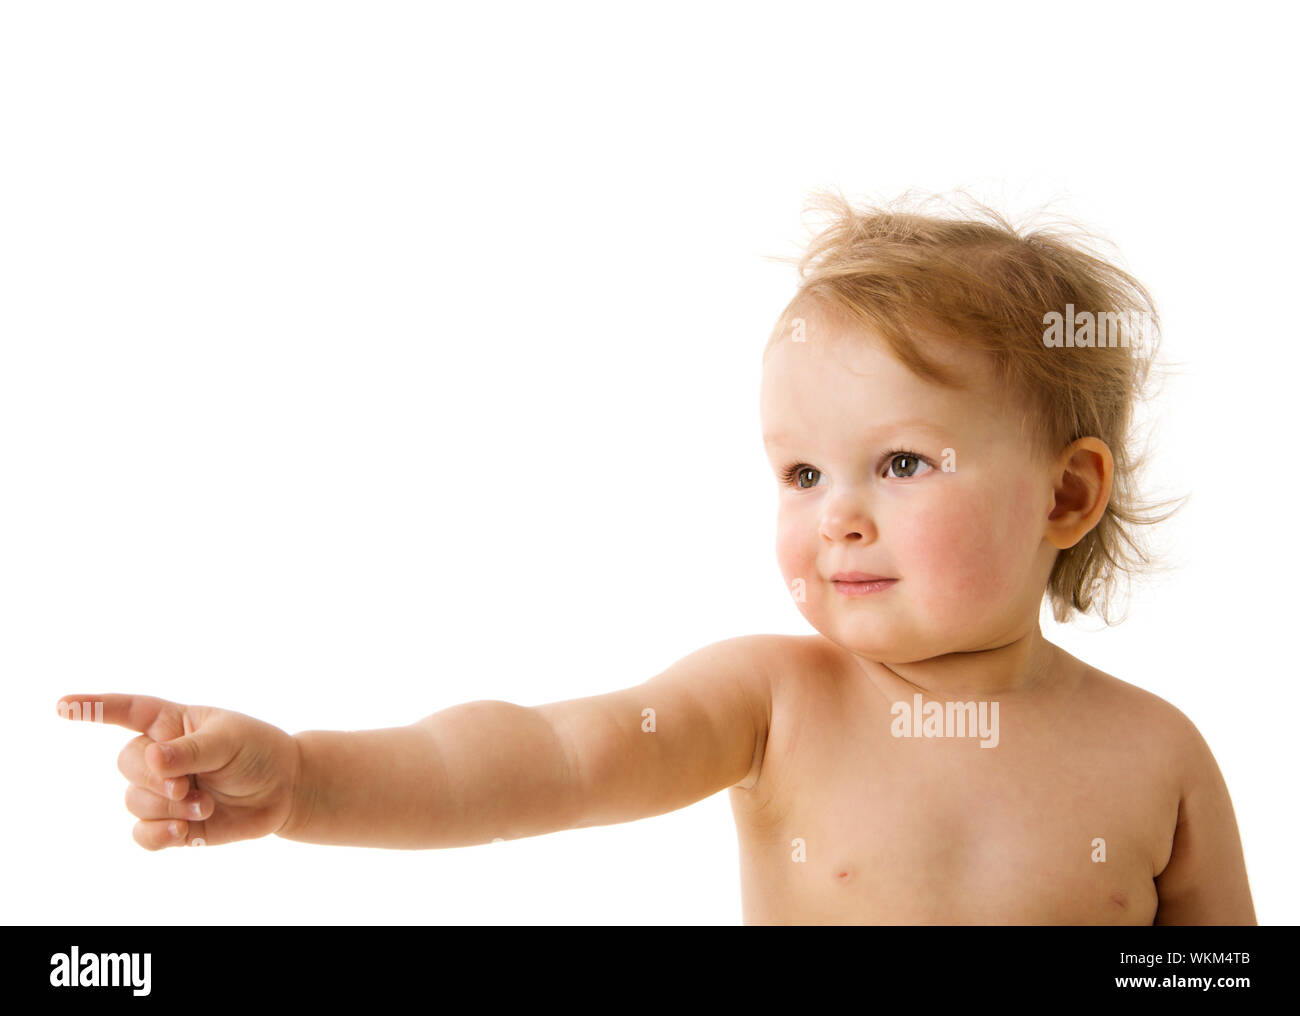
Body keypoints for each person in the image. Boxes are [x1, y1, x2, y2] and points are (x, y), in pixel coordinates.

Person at [58, 189, 1255, 924]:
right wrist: (308, 777)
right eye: (800, 474)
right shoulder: (774, 702)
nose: (836, 515)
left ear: (1065, 492)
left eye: (900, 464)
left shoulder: (1156, 754)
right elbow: (539, 755)